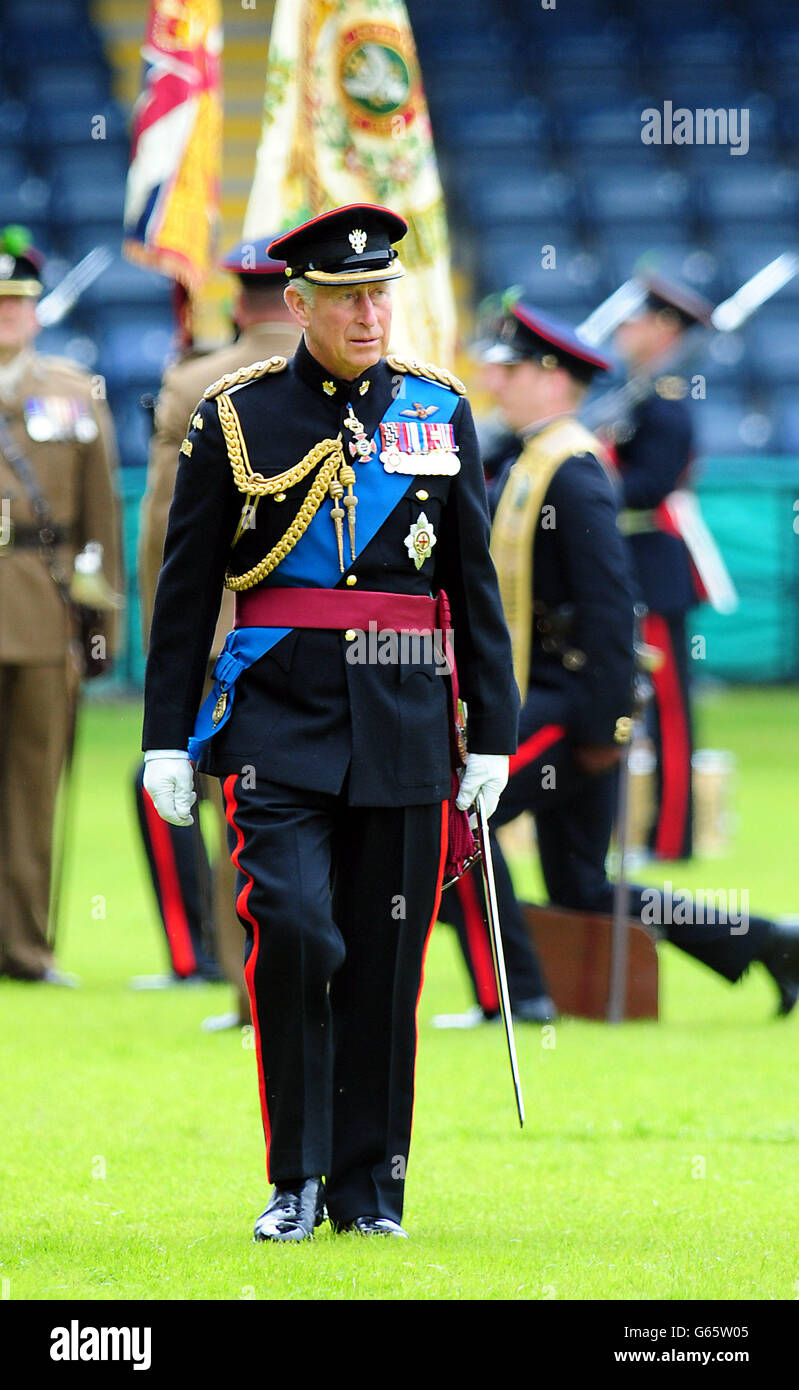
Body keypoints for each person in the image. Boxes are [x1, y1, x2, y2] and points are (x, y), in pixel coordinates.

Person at [141, 204, 519, 1241]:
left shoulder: (437, 412)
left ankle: (369, 1194)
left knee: (387, 969)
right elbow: (184, 595)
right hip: (277, 713)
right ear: (297, 303)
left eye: (381, 293)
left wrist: (491, 734)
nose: (370, 313)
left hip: (403, 715)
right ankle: (295, 1179)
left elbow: (472, 586)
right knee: (299, 932)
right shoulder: (235, 415)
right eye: (348, 297)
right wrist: (164, 737)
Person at [437, 299, 799, 1024]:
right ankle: (767, 943)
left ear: (549, 378)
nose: (494, 383)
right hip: (559, 699)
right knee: (578, 886)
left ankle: (518, 992)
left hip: (567, 704)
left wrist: (603, 726)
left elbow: (611, 608)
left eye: (507, 371)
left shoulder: (569, 470)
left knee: (453, 822)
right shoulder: (529, 457)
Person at [134, 237, 299, 1027]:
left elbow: (169, 532)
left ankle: (244, 987)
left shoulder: (197, 383)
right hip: (327, 640)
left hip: (217, 639)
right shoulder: (366, 385)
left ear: (238, 301)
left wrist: (166, 637)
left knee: (235, 818)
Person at [0, 226, 121, 984]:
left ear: (36, 312)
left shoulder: (74, 393)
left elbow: (100, 524)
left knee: (33, 793)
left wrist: (98, 634)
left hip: (43, 615)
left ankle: (24, 948)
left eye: (15, 304)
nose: (5, 317)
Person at [611, 274, 713, 862]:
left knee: (669, 712)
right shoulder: (638, 395)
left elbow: (648, 487)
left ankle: (672, 839)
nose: (627, 330)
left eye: (639, 319)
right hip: (630, 566)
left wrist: (589, 473)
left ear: (665, 329)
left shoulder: (665, 403)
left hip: (653, 567)